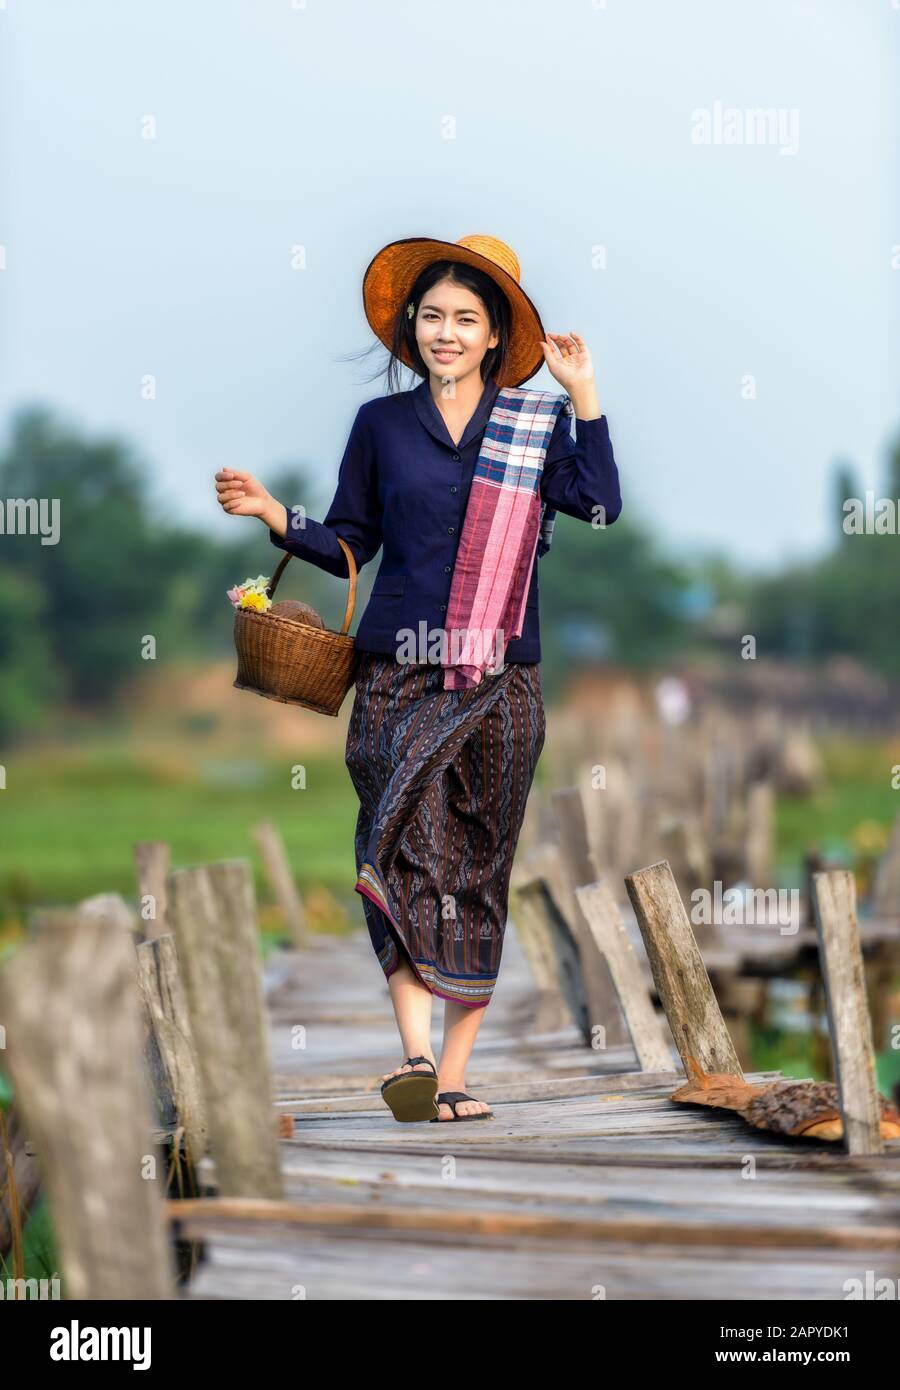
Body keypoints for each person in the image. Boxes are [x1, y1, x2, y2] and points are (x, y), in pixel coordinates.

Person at [215, 234, 622, 1122]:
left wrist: (583, 395)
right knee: (394, 846)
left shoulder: (533, 424)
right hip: (397, 673)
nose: (445, 332)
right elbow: (353, 541)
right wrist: (277, 517)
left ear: (492, 338)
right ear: (412, 328)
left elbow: (599, 502)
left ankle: (454, 1075)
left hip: (502, 682)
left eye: (465, 320)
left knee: (477, 864)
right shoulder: (379, 426)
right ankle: (411, 1054)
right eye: (432, 315)